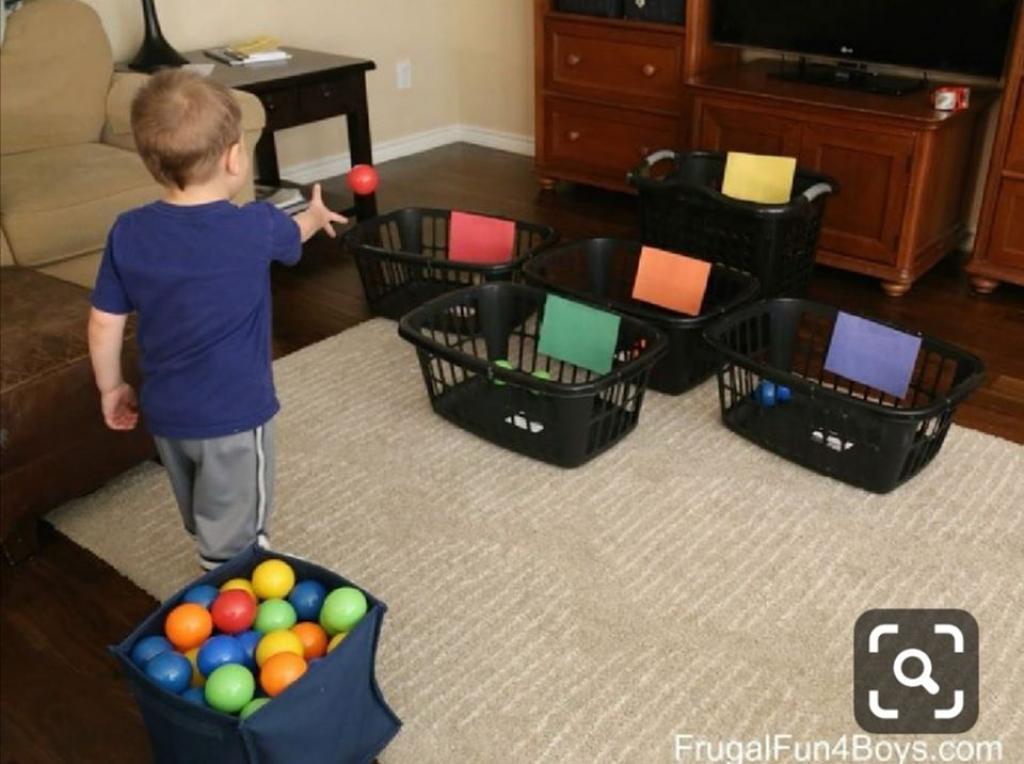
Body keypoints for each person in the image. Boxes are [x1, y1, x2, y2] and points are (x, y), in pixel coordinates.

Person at [88, 70, 347, 570]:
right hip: (234, 412)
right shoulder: (254, 225)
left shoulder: (128, 231)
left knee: (200, 503)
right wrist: (315, 216)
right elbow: (295, 233)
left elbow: (103, 321)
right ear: (234, 158)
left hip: (166, 412)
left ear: (150, 161)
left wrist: (111, 386)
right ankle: (227, 573)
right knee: (237, 524)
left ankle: (213, 548)